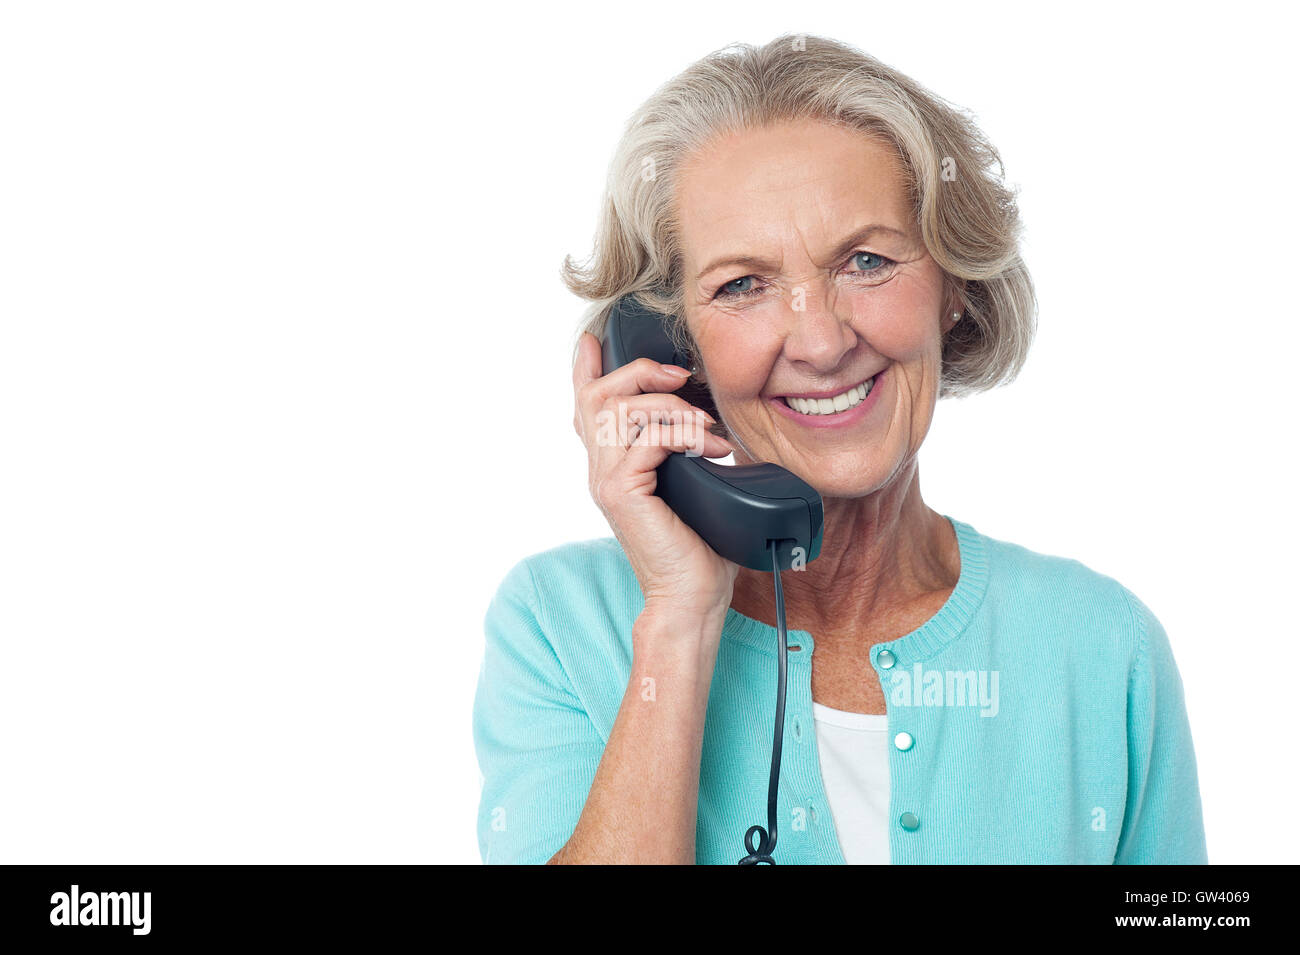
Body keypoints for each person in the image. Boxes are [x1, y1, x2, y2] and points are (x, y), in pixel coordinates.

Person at [473, 33, 1207, 865]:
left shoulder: (1103, 645)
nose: (821, 342)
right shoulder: (560, 625)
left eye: (866, 260)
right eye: (742, 284)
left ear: (953, 288)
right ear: (676, 353)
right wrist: (679, 618)